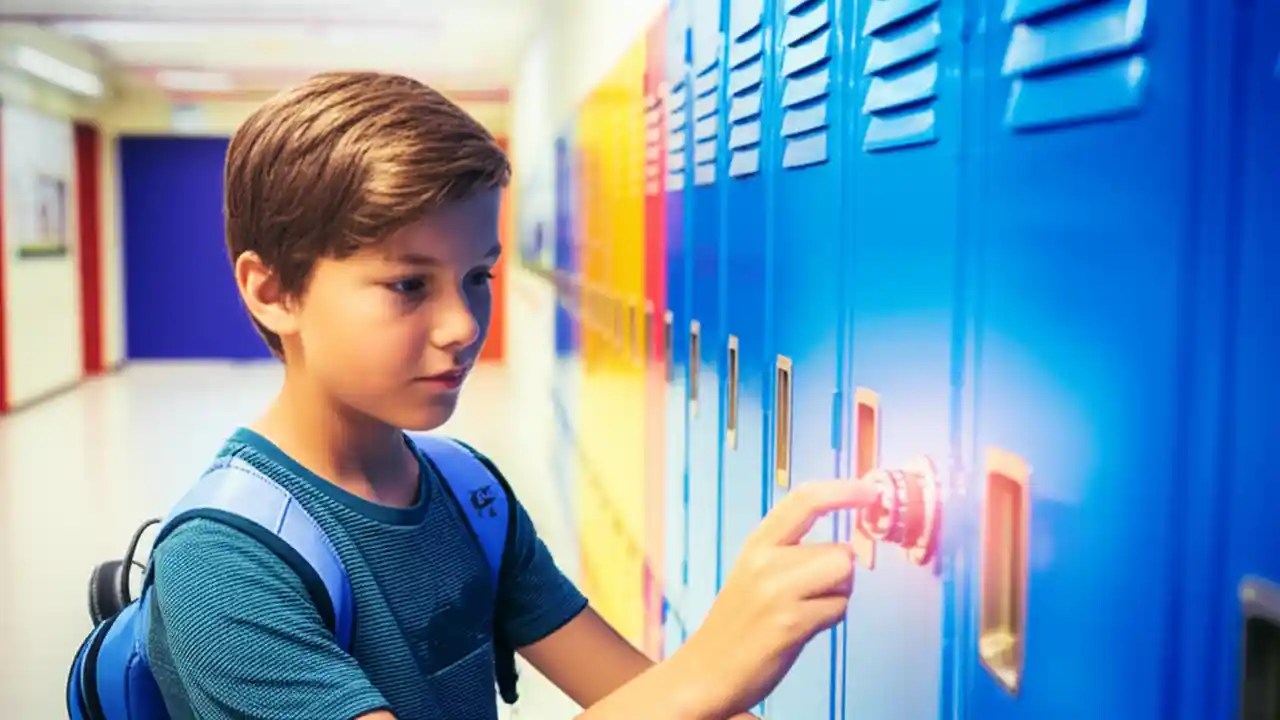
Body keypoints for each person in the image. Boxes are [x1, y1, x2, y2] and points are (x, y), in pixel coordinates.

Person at [145, 70, 874, 720]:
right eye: (409, 285)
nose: (463, 326)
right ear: (273, 292)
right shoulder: (223, 566)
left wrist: (723, 675)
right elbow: (679, 694)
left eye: (477, 278)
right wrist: (705, 670)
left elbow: (638, 693)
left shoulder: (469, 495)